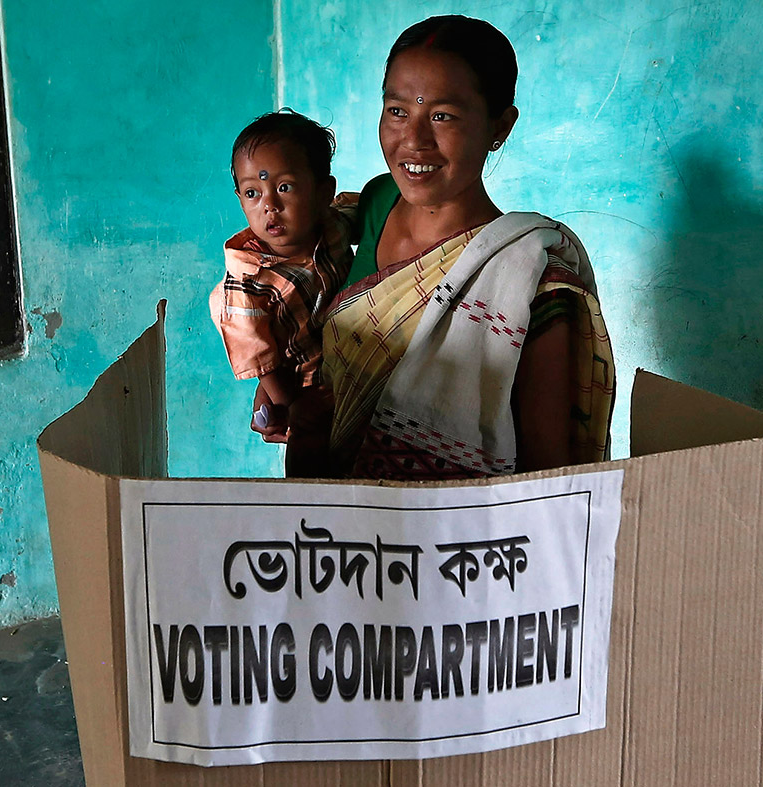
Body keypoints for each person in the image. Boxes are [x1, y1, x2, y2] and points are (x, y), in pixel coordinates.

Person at [254, 16, 614, 480]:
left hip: (453, 524)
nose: (413, 141)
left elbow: (546, 481)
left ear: (500, 126)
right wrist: (281, 377)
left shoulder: (525, 279)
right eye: (397, 111)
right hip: (327, 510)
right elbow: (302, 301)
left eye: (442, 116)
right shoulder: (374, 205)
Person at [210, 110, 353, 472]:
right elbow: (259, 357)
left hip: (354, 364)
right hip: (304, 383)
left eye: (284, 187)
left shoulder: (334, 224)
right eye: (252, 193)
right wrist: (291, 404)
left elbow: (373, 208)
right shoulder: (247, 281)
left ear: (324, 192)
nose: (269, 205)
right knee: (311, 463)